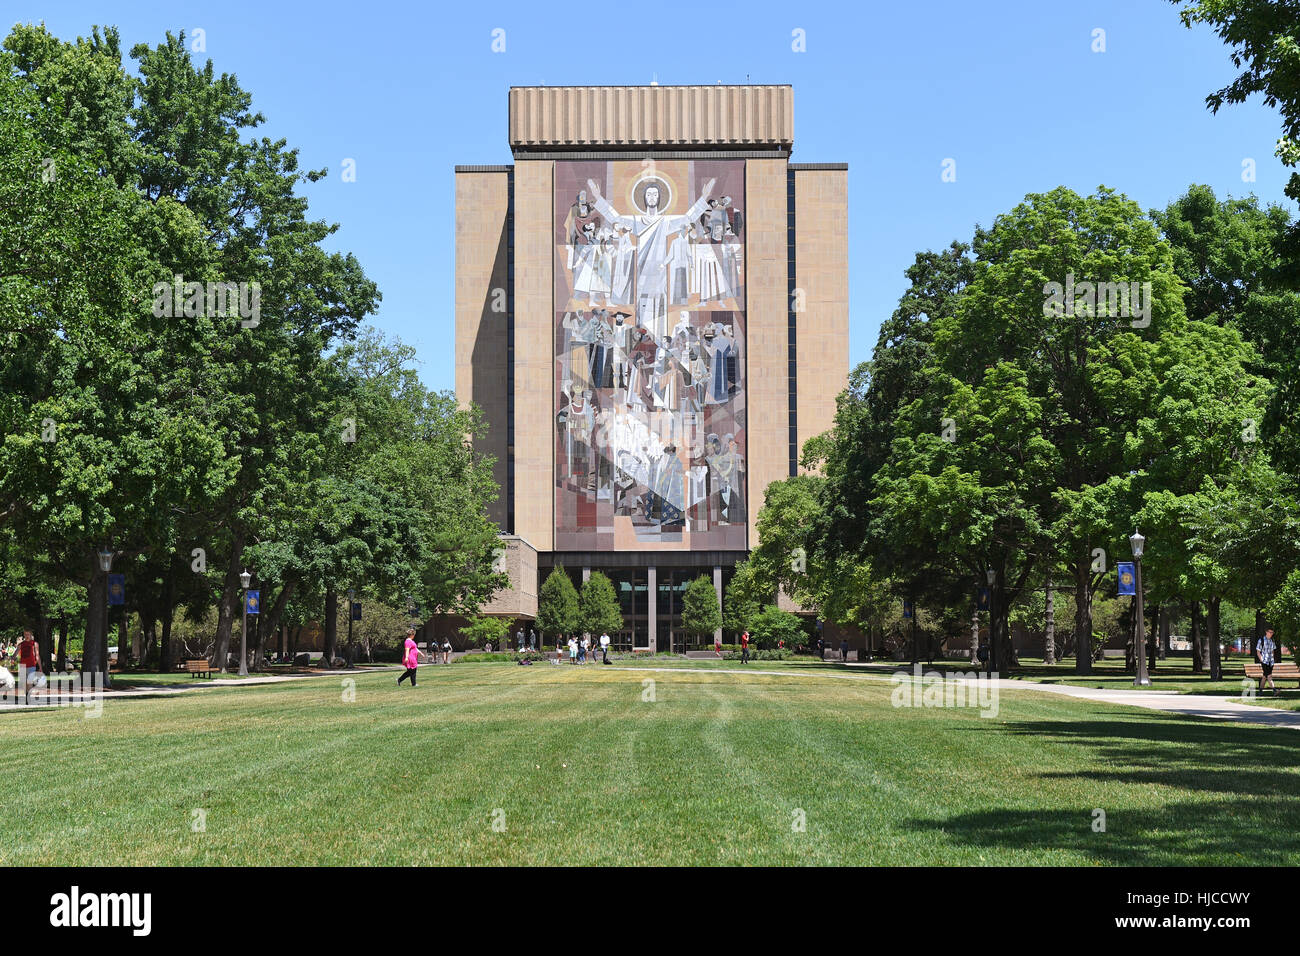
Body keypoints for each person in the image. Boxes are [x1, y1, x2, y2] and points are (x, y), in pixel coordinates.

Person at [16, 630, 42, 704]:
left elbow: (37, 655)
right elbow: (16, 653)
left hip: (31, 666)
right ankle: (26, 694)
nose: (27, 636)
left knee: (29, 682)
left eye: (28, 634)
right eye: (25, 634)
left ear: (31, 635)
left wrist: (40, 667)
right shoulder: (21, 644)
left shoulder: (34, 644)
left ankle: (28, 697)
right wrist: (12, 658)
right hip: (22, 666)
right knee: (23, 683)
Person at [1256, 627, 1278, 695]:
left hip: (1270, 661)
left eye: (1272, 632)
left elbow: (1273, 651)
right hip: (1264, 661)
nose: (1271, 634)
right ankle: (1274, 690)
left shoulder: (1272, 640)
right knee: (1269, 676)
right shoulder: (1261, 640)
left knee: (1264, 676)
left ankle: (1260, 691)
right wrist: (1261, 660)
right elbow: (1258, 652)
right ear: (1266, 632)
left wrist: (1273, 659)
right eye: (1270, 632)